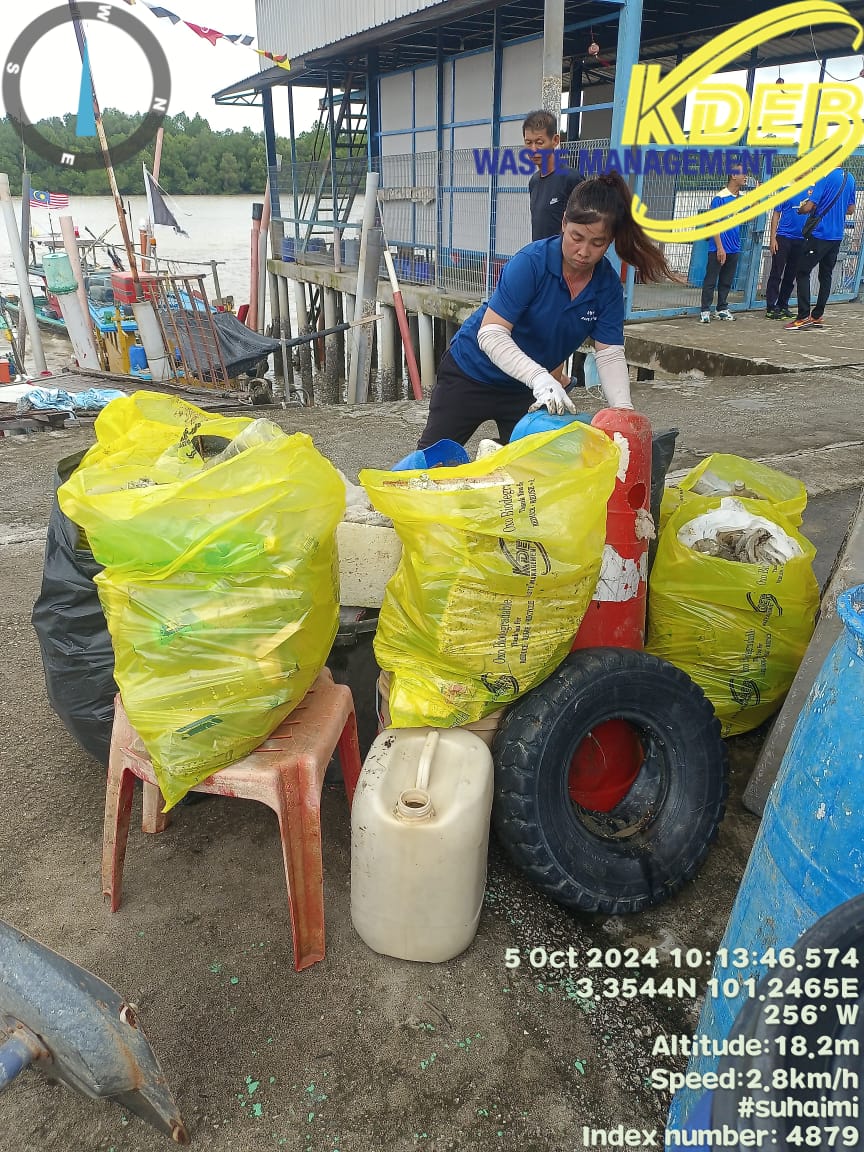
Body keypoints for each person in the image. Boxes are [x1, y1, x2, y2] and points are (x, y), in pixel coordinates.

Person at [417, 172, 674, 450]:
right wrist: (540, 378)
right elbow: (491, 334)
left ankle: (491, 452)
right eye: (577, 237)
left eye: (597, 243)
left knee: (533, 472)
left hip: (523, 390)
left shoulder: (607, 287)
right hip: (472, 374)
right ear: (564, 223)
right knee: (431, 463)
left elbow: (610, 354)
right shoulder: (530, 263)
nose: (584, 251)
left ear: (609, 242)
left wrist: (623, 414)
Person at [785, 166, 856, 331]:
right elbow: (851, 209)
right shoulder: (850, 177)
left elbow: (809, 206)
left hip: (820, 234)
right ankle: (817, 316)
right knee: (826, 275)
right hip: (837, 235)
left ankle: (803, 316)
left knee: (802, 271)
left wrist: (802, 209)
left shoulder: (824, 175)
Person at [522, 110, 583, 242]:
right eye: (528, 143)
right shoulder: (534, 181)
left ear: (555, 141)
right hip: (540, 257)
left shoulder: (571, 179)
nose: (533, 149)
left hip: (564, 259)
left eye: (539, 142)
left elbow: (585, 226)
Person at [699, 166, 747, 322]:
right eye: (742, 173)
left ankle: (722, 308)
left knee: (727, 280)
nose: (745, 176)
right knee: (711, 280)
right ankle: (705, 310)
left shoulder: (741, 198)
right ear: (733, 175)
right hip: (718, 247)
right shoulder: (719, 198)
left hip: (734, 247)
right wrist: (720, 247)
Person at [764, 181, 812, 320]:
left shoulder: (812, 188)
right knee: (776, 272)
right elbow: (776, 214)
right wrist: (773, 238)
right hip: (784, 237)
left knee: (791, 274)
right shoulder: (785, 188)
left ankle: (783, 305)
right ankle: (771, 307)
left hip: (801, 238)